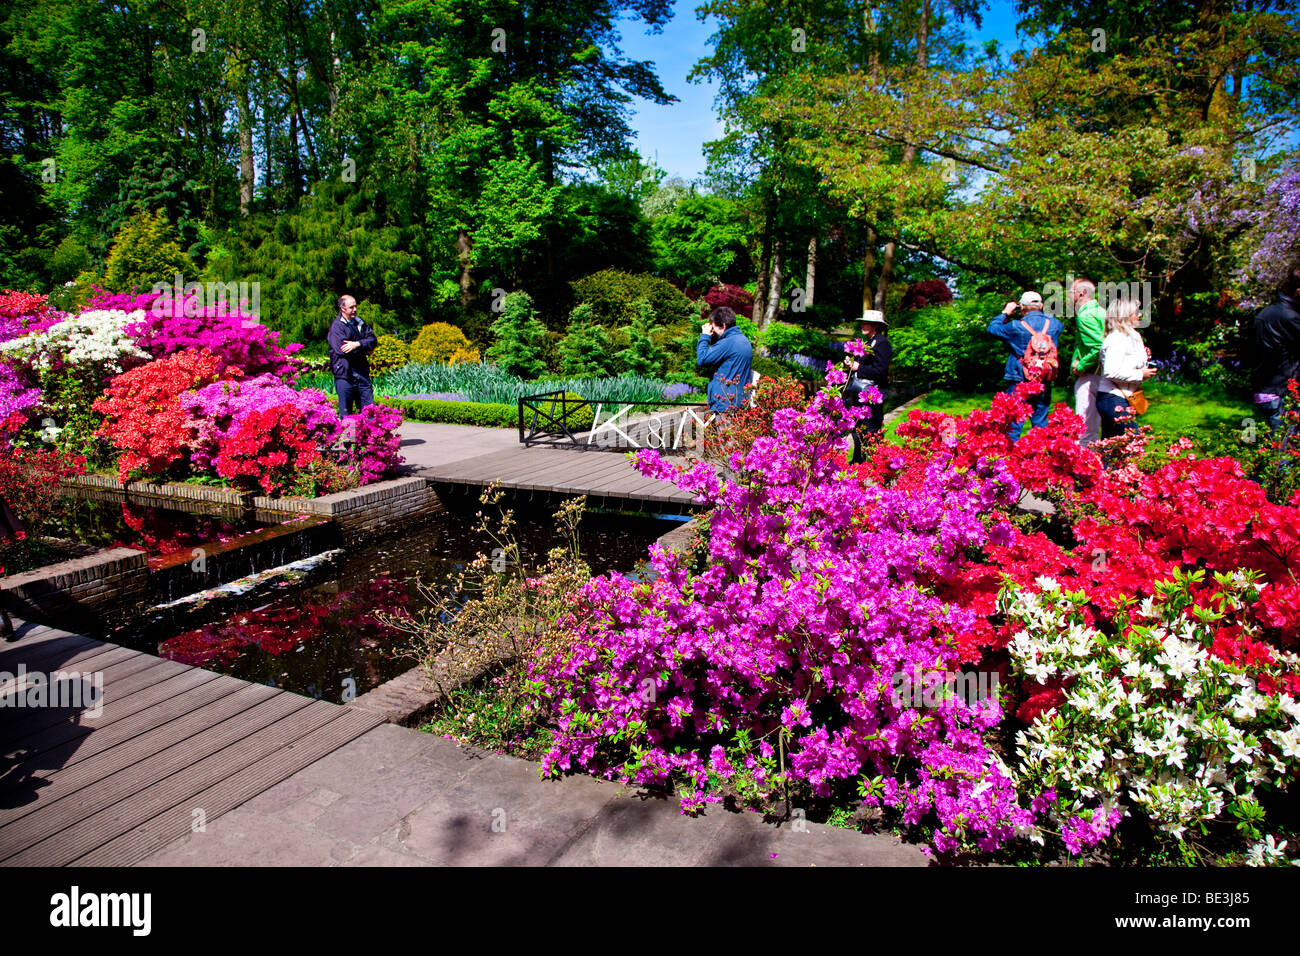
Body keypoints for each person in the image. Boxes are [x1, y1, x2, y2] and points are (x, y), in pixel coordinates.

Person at [988, 291, 1064, 441]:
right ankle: (1042, 458)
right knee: (1041, 423)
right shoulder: (1054, 325)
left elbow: (992, 329)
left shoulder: (1015, 326)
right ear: (1041, 305)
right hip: (1043, 378)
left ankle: (1011, 459)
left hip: (1019, 378)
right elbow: (1057, 325)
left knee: (1014, 423)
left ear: (1021, 307)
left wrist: (1006, 313)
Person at [1251, 262, 1300, 433]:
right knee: (1286, 454)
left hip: (1264, 390)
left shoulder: (1267, 314)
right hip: (1280, 393)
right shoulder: (1291, 318)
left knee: (1274, 449)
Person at [1097, 298, 1156, 438]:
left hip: (1120, 397)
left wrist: (1143, 357)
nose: (1140, 315)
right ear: (1125, 315)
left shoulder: (1130, 336)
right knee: (1134, 442)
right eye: (1136, 312)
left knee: (1112, 450)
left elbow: (1125, 361)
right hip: (1113, 398)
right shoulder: (1116, 339)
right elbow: (1111, 371)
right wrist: (1140, 374)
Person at [1069, 277, 1107, 445]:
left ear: (1081, 293)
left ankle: (1083, 466)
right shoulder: (1102, 311)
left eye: (1071, 292)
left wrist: (1081, 365)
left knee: (1084, 429)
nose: (1068, 296)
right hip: (1105, 375)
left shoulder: (1085, 315)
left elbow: (1099, 345)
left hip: (1090, 375)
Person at [696, 306, 753, 414]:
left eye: (714, 328)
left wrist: (704, 336)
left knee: (724, 431)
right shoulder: (742, 339)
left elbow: (702, 359)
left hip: (725, 404)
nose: (713, 332)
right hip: (739, 400)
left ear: (723, 326)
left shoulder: (728, 343)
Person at [328, 294, 378, 416]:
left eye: (355, 306)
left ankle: (369, 435)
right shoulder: (337, 327)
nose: (355, 309)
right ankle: (351, 436)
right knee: (347, 413)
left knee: (369, 410)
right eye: (351, 307)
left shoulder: (360, 322)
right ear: (342, 309)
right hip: (345, 375)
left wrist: (357, 344)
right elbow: (342, 350)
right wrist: (365, 348)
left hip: (362, 373)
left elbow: (373, 340)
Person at [845, 308, 892, 429]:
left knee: (870, 429)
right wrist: (852, 364)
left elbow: (881, 371)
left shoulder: (882, 343)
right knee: (858, 429)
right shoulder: (870, 342)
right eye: (863, 322)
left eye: (866, 323)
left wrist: (859, 367)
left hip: (874, 394)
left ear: (875, 326)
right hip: (862, 392)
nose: (863, 325)